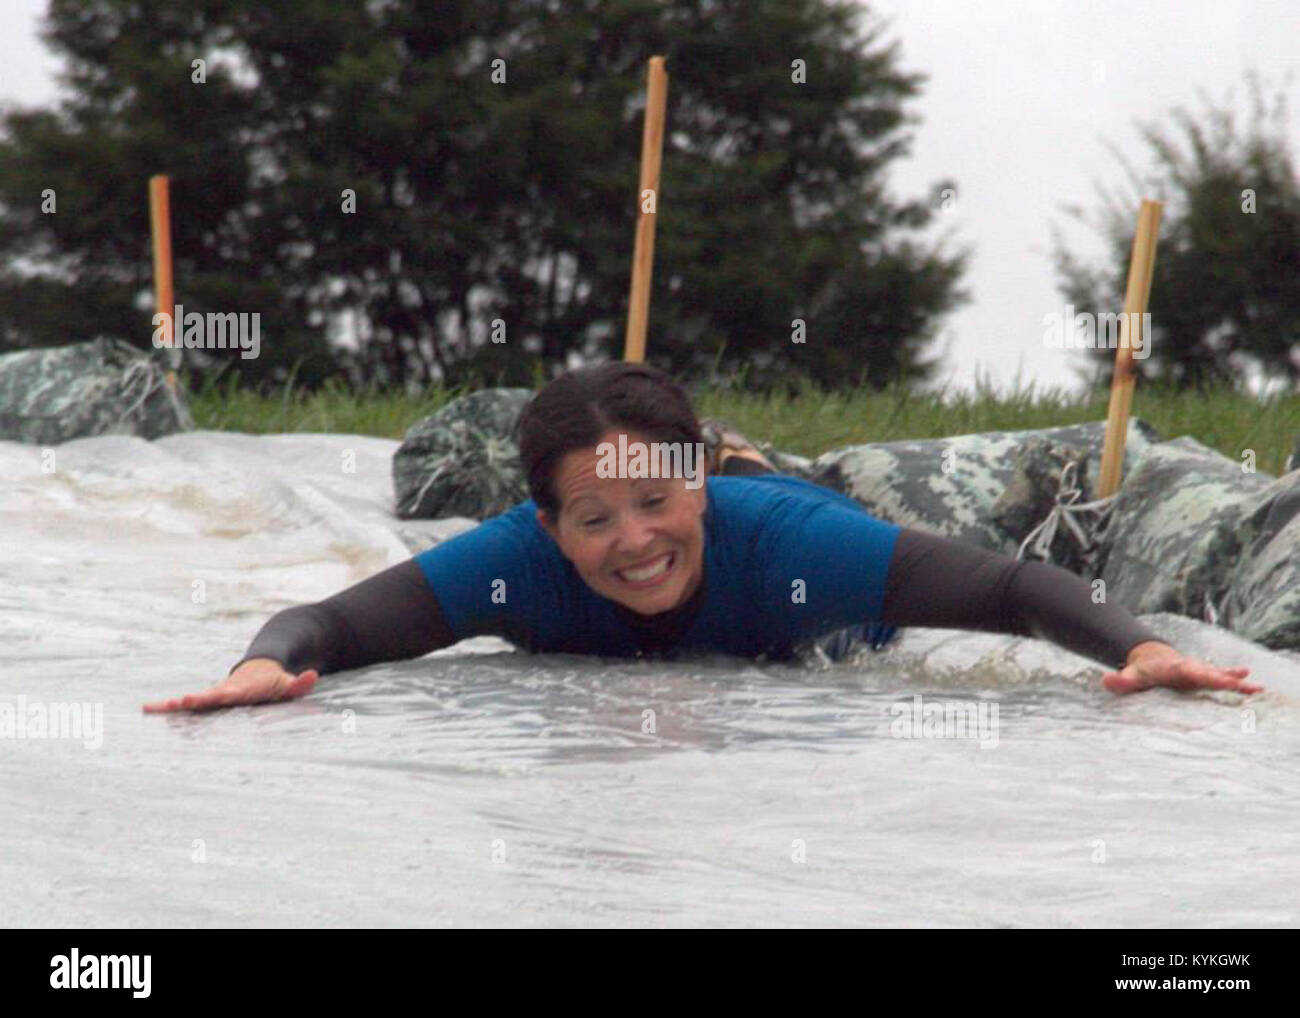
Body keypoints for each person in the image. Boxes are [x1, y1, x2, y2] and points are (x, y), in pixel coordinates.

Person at [143, 363, 1260, 713]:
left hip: (810, 539)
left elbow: (1013, 588)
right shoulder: (514, 560)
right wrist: (261, 665)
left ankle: (764, 456)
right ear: (548, 523)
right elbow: (333, 622)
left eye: (654, 503)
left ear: (696, 491)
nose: (631, 542)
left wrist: (1140, 650)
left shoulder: (790, 547)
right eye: (594, 518)